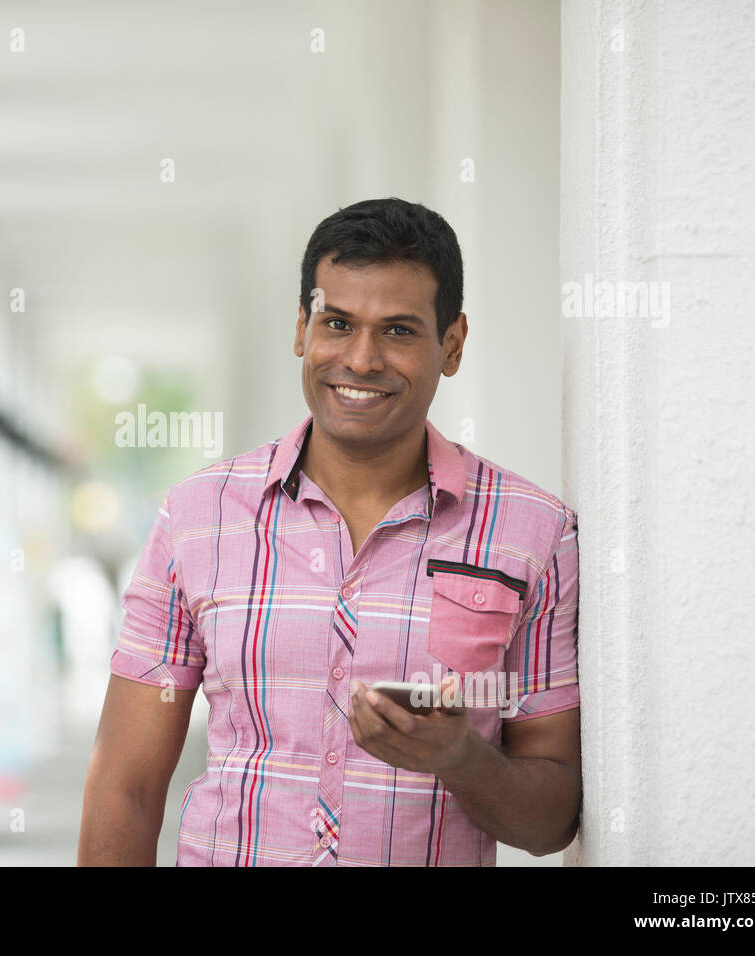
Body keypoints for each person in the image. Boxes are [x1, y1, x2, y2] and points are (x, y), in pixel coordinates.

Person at [77, 198, 581, 866]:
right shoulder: (198, 517)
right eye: (337, 323)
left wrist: (463, 761)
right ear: (301, 329)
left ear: (451, 344)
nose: (362, 359)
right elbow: (125, 787)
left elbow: (553, 822)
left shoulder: (533, 533)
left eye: (399, 331)